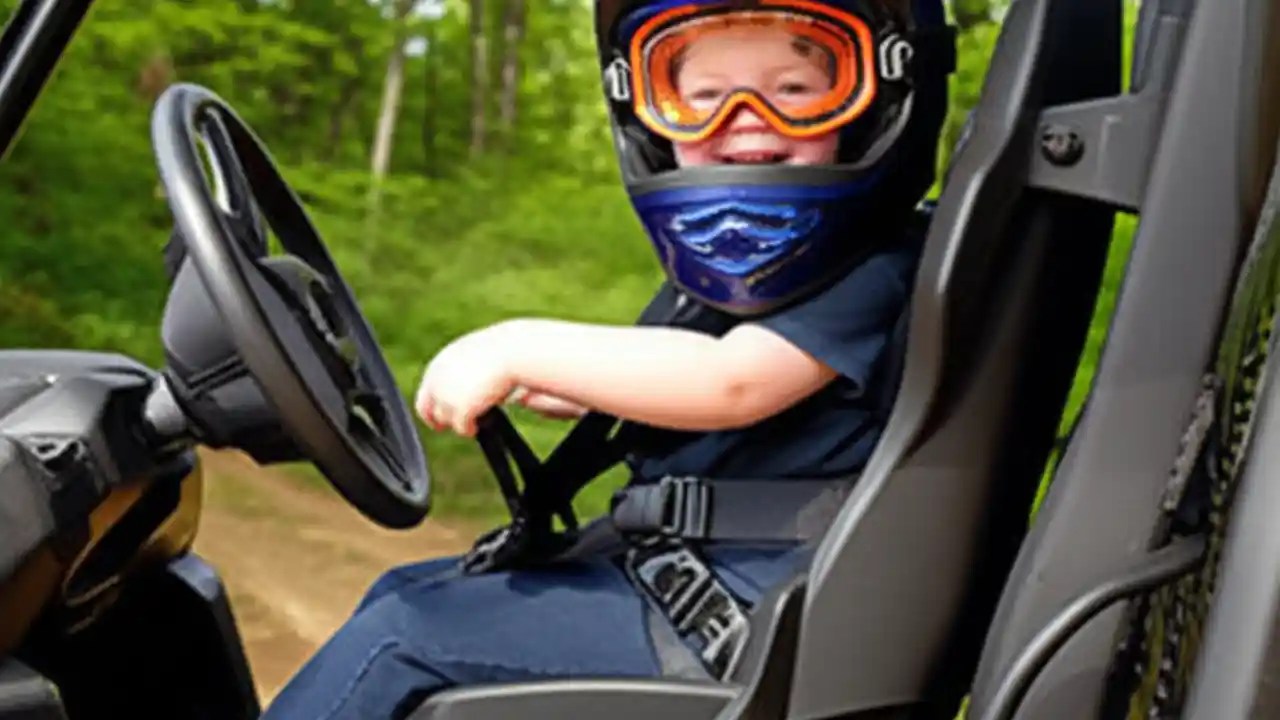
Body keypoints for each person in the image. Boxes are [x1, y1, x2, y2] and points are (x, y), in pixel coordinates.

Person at [262, 1, 955, 718]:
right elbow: (680, 369)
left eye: (795, 92)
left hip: (741, 614)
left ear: (878, 96)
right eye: (704, 98)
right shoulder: (744, 281)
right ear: (645, 109)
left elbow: (733, 382)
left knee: (396, 638)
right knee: (402, 594)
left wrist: (518, 344)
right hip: (692, 577)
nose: (747, 116)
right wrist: (575, 386)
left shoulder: (871, 262)